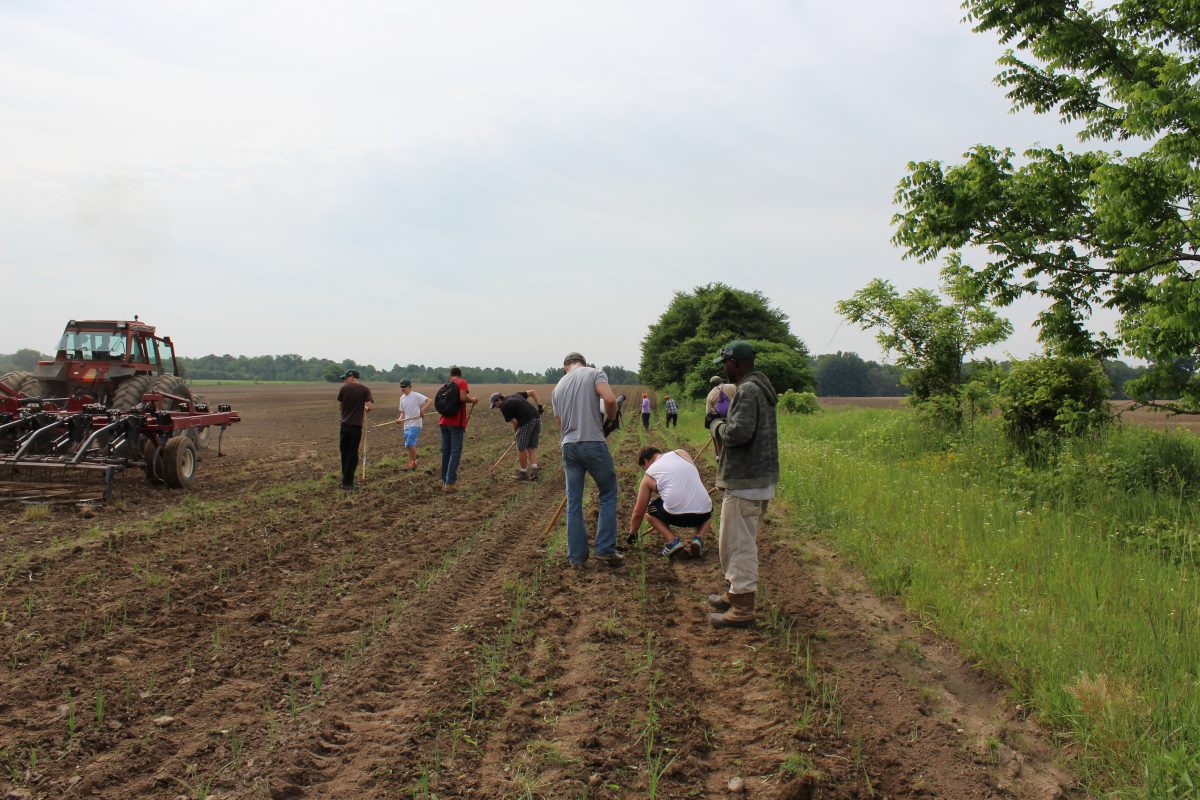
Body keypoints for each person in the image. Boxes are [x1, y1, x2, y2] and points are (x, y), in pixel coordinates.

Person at [704, 341, 778, 629]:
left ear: (735, 362)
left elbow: (738, 434)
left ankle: (742, 609)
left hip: (746, 481)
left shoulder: (748, 390)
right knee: (734, 543)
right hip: (754, 479)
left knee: (738, 547)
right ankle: (734, 594)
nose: (724, 368)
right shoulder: (759, 388)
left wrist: (715, 424)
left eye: (726, 362)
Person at [552, 352, 623, 569]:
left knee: (574, 502)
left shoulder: (558, 387)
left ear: (566, 366)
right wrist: (611, 419)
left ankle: (576, 558)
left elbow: (559, 423)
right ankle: (604, 549)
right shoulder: (594, 373)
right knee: (608, 493)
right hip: (592, 442)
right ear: (583, 363)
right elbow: (609, 400)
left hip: (568, 446)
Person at [628, 446, 712, 558]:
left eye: (644, 467)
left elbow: (638, 512)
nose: (645, 470)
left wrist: (632, 534)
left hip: (677, 517)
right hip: (703, 515)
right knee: (706, 504)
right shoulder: (681, 453)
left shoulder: (648, 476)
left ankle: (672, 541)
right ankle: (699, 538)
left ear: (646, 460)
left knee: (649, 510)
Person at [438, 367, 478, 493]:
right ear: (460, 374)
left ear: (450, 375)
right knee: (455, 452)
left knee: (445, 452)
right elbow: (462, 397)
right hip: (456, 423)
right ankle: (450, 483)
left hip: (443, 422)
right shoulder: (462, 382)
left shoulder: (447, 384)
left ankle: (444, 481)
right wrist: (472, 400)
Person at [490, 389, 544, 480]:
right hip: (537, 419)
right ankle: (535, 472)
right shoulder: (516, 395)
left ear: (498, 400)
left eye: (495, 405)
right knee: (531, 447)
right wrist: (540, 406)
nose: (496, 407)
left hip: (526, 422)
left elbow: (515, 423)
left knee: (521, 448)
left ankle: (523, 474)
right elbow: (533, 392)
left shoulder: (504, 407)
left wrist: (516, 434)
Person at [336, 369, 374, 490]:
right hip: (355, 426)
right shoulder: (365, 389)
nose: (345, 380)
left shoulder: (343, 388)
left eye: (346, 378)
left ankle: (345, 479)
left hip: (344, 425)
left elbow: (340, 407)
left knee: (344, 452)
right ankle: (348, 482)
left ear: (352, 377)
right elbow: (370, 407)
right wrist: (364, 408)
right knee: (352, 453)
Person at [396, 378, 432, 470]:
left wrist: (422, 410)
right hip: (406, 424)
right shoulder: (402, 398)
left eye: (404, 387)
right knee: (408, 445)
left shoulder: (415, 395)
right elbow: (403, 412)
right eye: (401, 387)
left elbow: (429, 400)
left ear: (409, 386)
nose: (402, 388)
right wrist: (400, 419)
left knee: (410, 443)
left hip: (415, 423)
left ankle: (413, 462)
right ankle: (412, 463)